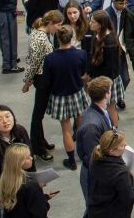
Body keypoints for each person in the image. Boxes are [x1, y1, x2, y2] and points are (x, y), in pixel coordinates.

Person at [43, 26, 89, 170]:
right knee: (81, 126)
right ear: (72, 37)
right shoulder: (81, 54)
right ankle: (84, 154)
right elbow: (85, 74)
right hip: (77, 93)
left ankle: (71, 160)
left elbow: (46, 80)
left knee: (66, 130)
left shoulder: (50, 58)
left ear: (57, 38)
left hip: (59, 96)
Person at [23, 10, 63, 163]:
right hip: (41, 78)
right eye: (58, 25)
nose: (59, 28)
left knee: (39, 114)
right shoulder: (39, 38)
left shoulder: (40, 34)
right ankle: (37, 147)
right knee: (37, 114)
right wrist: (27, 81)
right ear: (50, 23)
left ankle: (41, 141)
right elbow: (33, 62)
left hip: (43, 76)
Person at [86, 129, 134, 218]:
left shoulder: (95, 157)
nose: (125, 145)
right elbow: (130, 198)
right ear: (112, 150)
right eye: (122, 145)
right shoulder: (120, 172)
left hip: (96, 210)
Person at [75, 77, 116, 207]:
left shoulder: (102, 112)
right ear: (106, 94)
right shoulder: (92, 126)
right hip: (95, 176)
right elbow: (93, 157)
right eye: (110, 90)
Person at [83, 12, 124, 126]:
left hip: (107, 81)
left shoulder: (109, 40)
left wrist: (105, 86)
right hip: (100, 78)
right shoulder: (97, 35)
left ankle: (114, 134)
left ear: (100, 24)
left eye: (93, 22)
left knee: (110, 108)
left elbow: (110, 67)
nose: (90, 24)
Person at [0, 144, 55, 218]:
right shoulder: (31, 186)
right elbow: (40, 213)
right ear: (19, 162)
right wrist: (39, 194)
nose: (31, 158)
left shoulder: (5, 180)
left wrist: (43, 196)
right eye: (27, 157)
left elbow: (20, 202)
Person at [0, 105, 32, 188]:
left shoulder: (20, 131)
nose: (5, 121)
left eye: (7, 116)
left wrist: (36, 180)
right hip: (6, 187)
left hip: (25, 179)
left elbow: (30, 157)